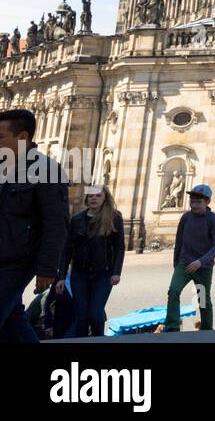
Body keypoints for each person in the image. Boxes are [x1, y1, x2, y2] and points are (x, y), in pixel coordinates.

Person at [0, 108, 69, 344]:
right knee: (13, 322)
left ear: (22, 137)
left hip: (19, 260)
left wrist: (47, 269)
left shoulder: (47, 170)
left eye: (0, 137)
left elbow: (56, 224)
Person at [56, 184, 124, 338]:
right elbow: (67, 249)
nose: (94, 198)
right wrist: (61, 277)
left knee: (95, 314)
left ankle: (99, 340)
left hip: (103, 274)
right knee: (81, 317)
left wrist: (116, 272)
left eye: (98, 195)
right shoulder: (77, 220)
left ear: (105, 198)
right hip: (79, 274)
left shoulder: (114, 218)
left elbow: (120, 247)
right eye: (91, 196)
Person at [164, 184, 215, 331]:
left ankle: (206, 329)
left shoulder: (213, 220)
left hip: (203, 267)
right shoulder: (186, 217)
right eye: (192, 201)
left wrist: (201, 261)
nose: (194, 204)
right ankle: (172, 327)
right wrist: (176, 264)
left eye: (198, 202)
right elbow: (179, 241)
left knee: (203, 300)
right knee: (173, 291)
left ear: (207, 202)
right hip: (184, 263)